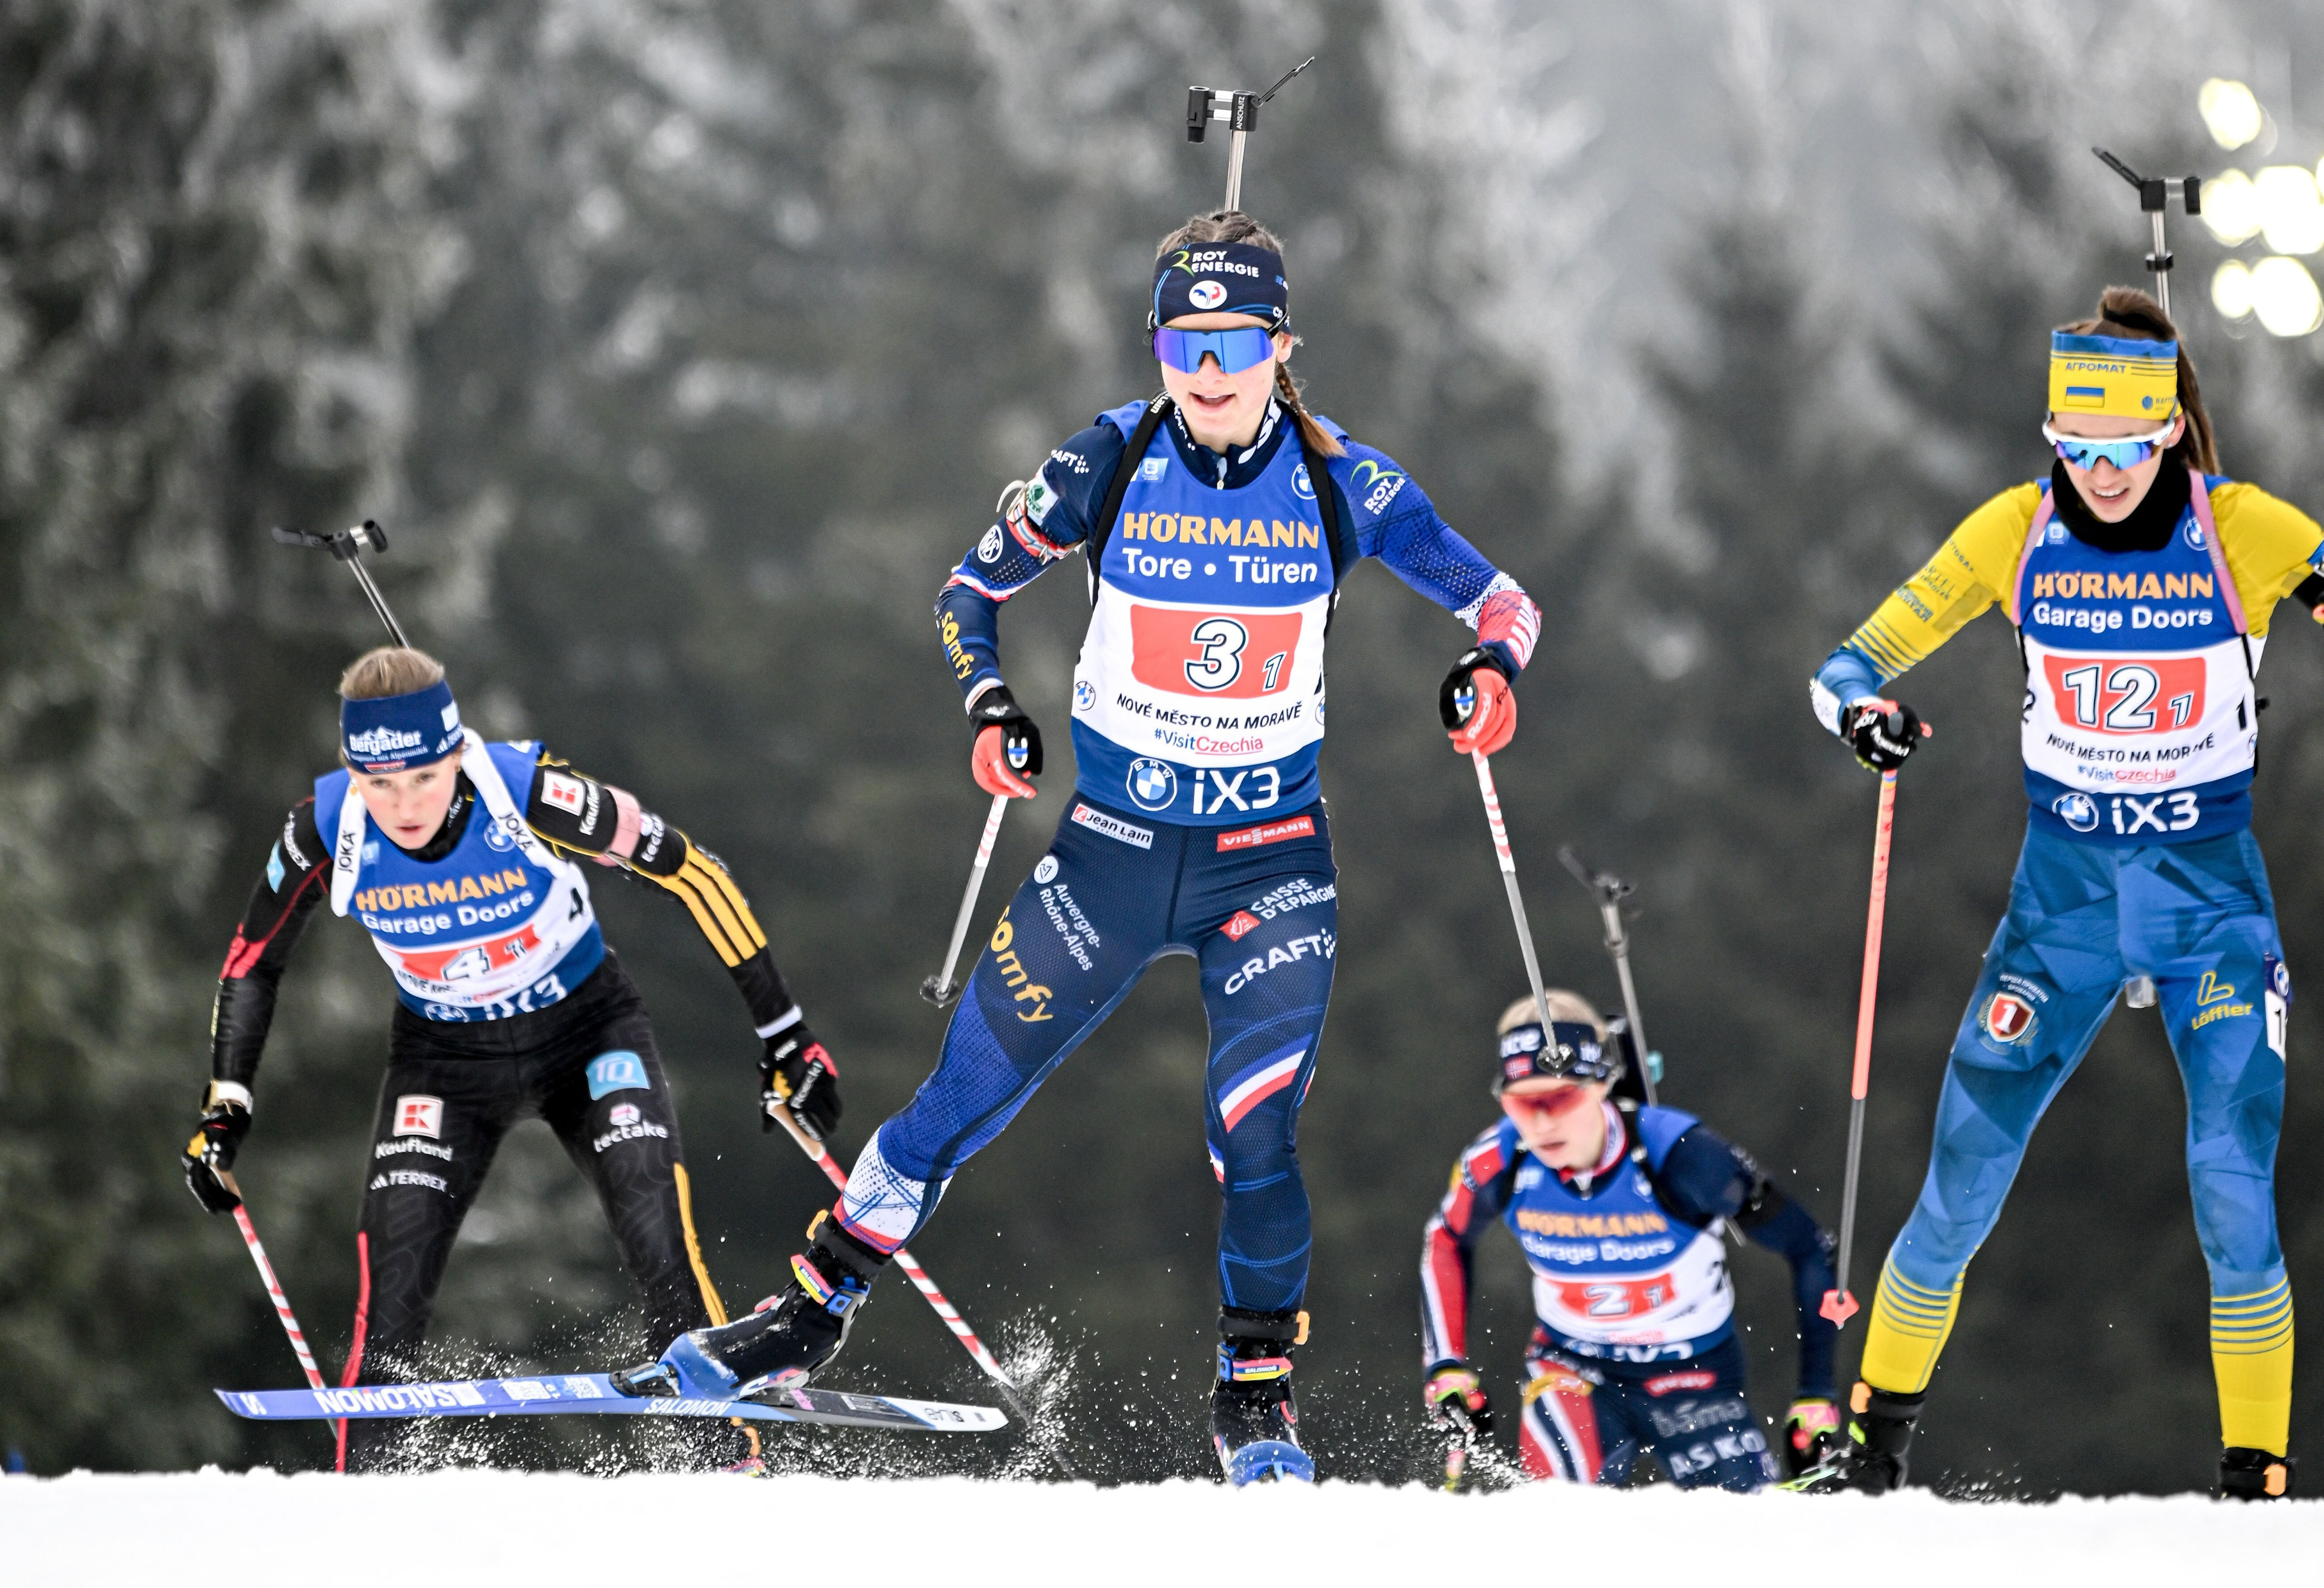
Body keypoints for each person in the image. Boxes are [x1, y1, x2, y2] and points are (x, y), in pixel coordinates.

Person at [616, 209, 1542, 1485]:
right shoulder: (1108, 459)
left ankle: (1255, 1399)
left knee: (1256, 1131)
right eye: (1180, 341)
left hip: (1268, 864)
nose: (1205, 369)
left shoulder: (1346, 483)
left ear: (1282, 345)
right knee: (955, 1100)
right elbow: (969, 590)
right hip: (1110, 855)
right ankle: (804, 1319)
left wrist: (1489, 672)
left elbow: (1504, 601)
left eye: (1234, 341)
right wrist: (989, 705)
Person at [1803, 288, 2321, 1500]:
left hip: (2206, 908)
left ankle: (2252, 1480)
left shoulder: (2237, 527)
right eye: (2074, 449)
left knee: (2230, 1185)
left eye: (2125, 448)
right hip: (2062, 910)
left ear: (2169, 432)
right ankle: (1866, 1458)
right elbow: (1845, 664)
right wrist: (1862, 716)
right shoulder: (2014, 532)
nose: (2100, 474)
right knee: (1958, 1183)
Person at [184, 646, 840, 1472]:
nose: (403, 805)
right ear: (354, 775)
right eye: (379, 784)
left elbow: (692, 872)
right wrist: (227, 1105)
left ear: (456, 754)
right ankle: (361, 1498)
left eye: (423, 777)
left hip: (587, 1030)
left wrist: (785, 1033)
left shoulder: (523, 791)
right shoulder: (324, 825)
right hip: (445, 1058)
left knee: (658, 1237)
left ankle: (721, 1458)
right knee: (393, 1289)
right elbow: (252, 960)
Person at [1418, 992, 1840, 1491]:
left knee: (1742, 1533)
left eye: (1560, 1098)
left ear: (1601, 1083)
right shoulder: (1499, 1158)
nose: (1542, 1122)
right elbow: (1445, 1238)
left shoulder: (1681, 1156)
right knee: (1558, 1518)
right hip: (1574, 1366)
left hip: (1697, 1376)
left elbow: (1809, 1245)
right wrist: (1445, 1365)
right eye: (1521, 1103)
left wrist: (1817, 1393)